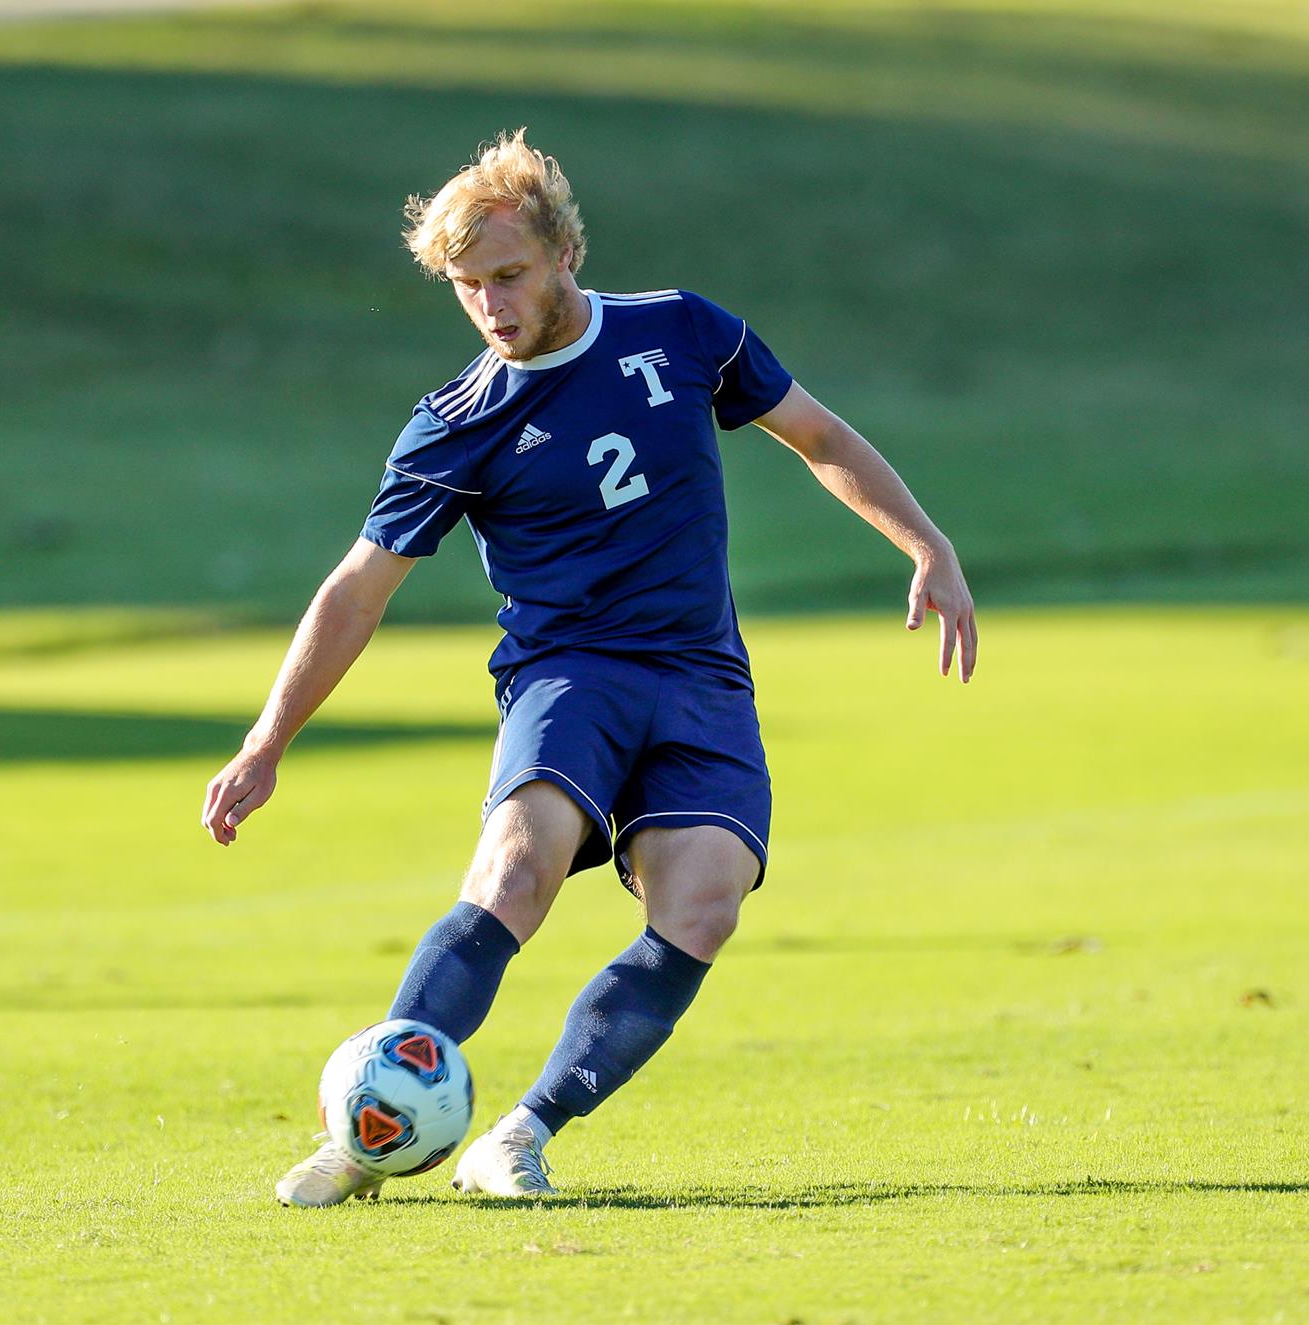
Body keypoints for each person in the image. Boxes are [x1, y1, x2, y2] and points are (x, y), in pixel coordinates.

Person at [201, 130, 978, 1207]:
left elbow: (817, 435)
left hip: (701, 678)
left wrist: (925, 544)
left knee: (702, 906)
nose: (489, 305)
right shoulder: (454, 425)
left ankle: (515, 1134)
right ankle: (369, 1131)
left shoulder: (683, 332)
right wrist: (265, 739)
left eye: (507, 276)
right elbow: (356, 590)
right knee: (516, 871)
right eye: (467, 287)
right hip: (567, 676)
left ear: (564, 250)